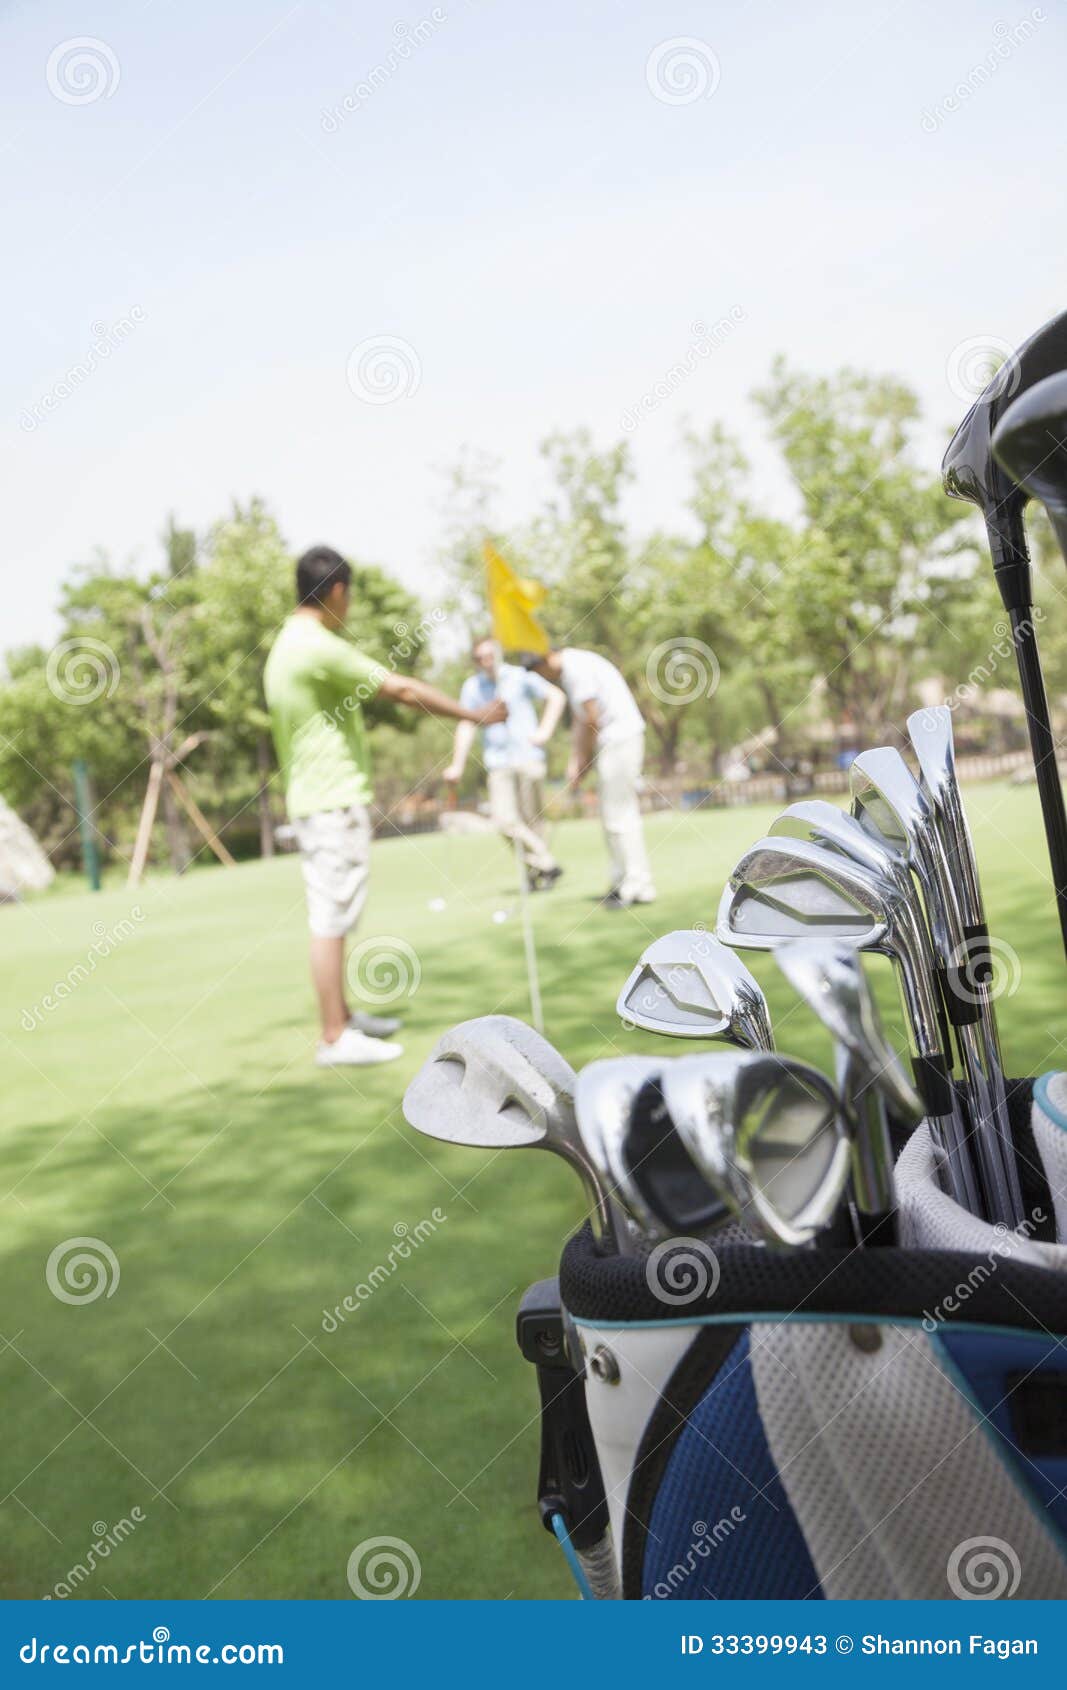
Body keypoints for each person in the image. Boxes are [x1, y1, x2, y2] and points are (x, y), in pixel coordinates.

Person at [264, 546, 506, 1067]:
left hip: (316, 798)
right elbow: (401, 688)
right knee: (330, 918)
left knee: (336, 913)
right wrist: (475, 716)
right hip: (330, 800)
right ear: (337, 591)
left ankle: (344, 1018)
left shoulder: (286, 643)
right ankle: (334, 1037)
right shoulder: (315, 645)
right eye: (348, 595)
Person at [522, 646, 655, 907]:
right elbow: (580, 719)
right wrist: (576, 761)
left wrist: (583, 761)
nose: (543, 677)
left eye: (539, 671)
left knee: (619, 814)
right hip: (613, 741)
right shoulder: (572, 668)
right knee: (610, 814)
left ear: (547, 659)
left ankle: (637, 885)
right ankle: (620, 881)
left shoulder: (575, 669)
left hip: (620, 739)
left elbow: (591, 719)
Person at [442, 635, 566, 889]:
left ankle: (537, 875)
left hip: (529, 757)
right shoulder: (472, 687)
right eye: (480, 658)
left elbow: (555, 696)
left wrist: (544, 731)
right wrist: (457, 764)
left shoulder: (520, 676)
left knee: (533, 823)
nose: (486, 661)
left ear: (498, 654)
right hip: (498, 762)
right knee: (504, 821)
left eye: (490, 655)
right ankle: (547, 862)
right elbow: (467, 724)